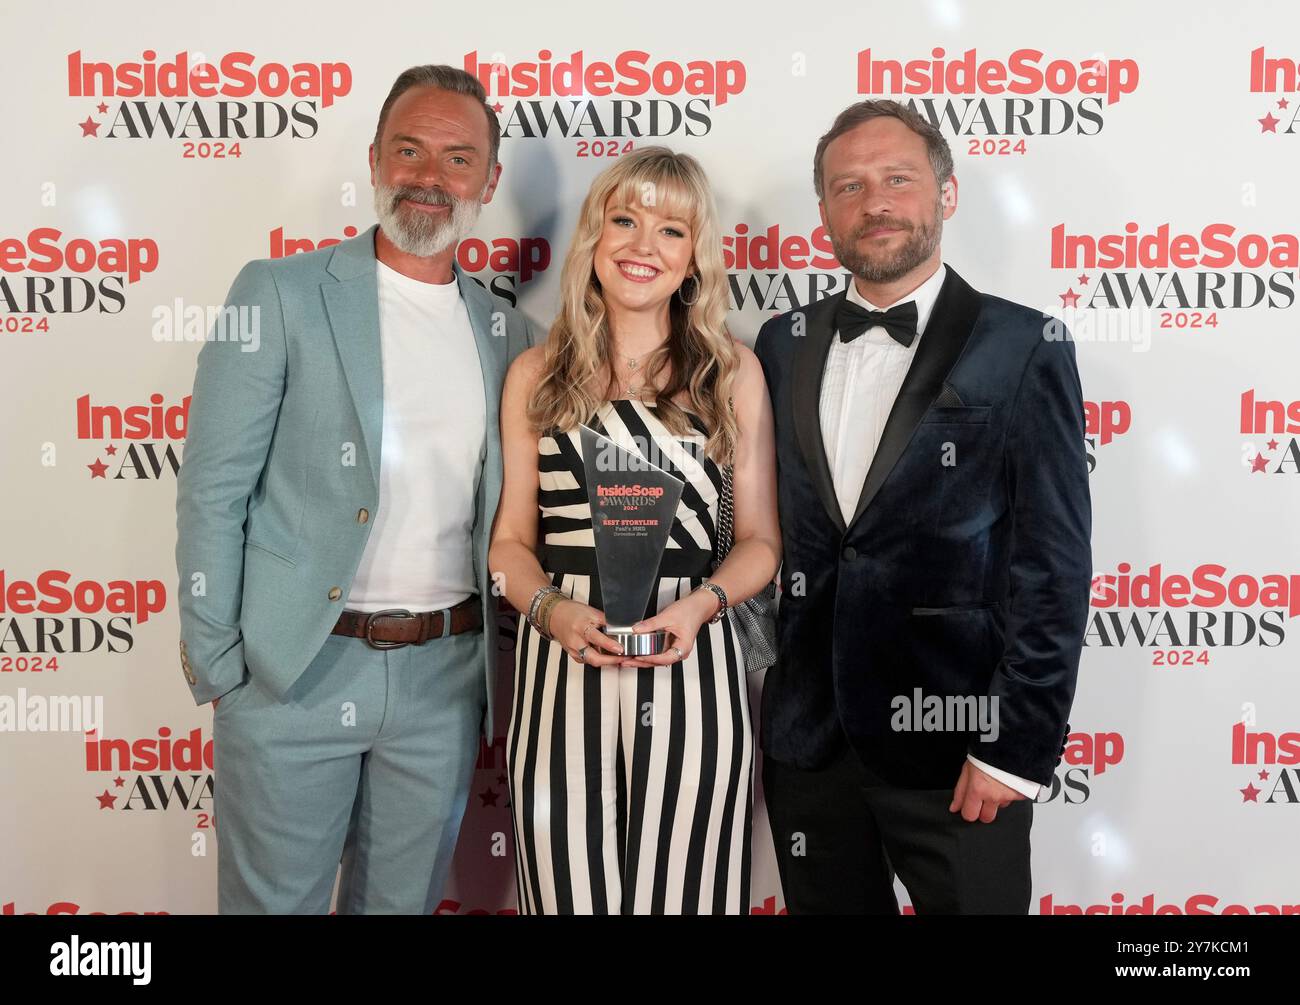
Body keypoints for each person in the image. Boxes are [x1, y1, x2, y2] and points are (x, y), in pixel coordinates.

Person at [175, 65, 538, 914]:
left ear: (487, 181)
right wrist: (224, 667)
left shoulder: (510, 332)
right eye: (409, 150)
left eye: (457, 158)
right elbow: (211, 491)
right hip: (293, 671)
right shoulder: (280, 293)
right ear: (375, 159)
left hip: (444, 683)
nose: (428, 176)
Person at [755, 99, 1091, 914]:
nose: (874, 202)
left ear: (945, 193)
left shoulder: (1023, 345)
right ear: (826, 208)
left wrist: (1015, 749)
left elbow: (1053, 566)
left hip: (961, 753)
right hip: (811, 751)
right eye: (849, 186)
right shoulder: (780, 341)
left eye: (897, 179)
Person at [488, 146, 781, 914]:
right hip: (562, 671)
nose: (643, 245)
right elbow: (510, 545)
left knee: (686, 897)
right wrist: (551, 610)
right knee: (564, 897)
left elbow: (761, 543)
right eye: (624, 219)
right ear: (594, 237)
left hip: (696, 664)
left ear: (694, 260)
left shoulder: (732, 373)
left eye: (671, 230)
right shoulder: (537, 376)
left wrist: (698, 607)